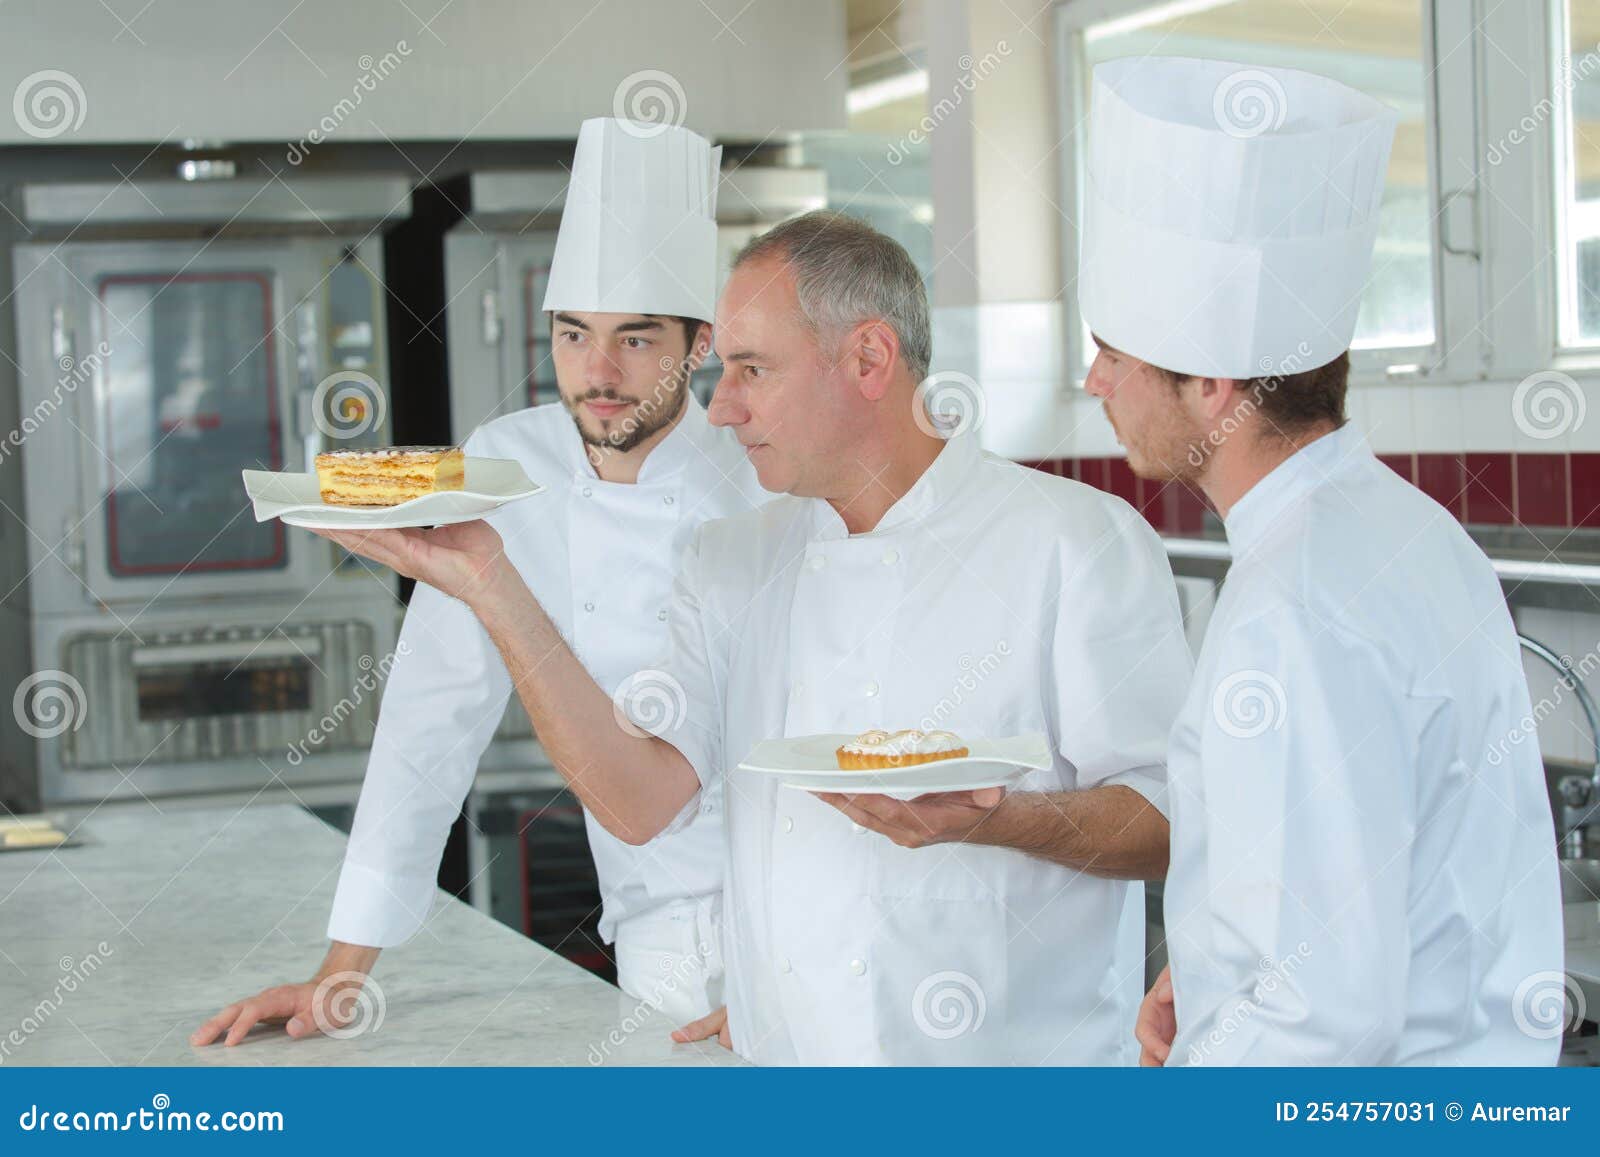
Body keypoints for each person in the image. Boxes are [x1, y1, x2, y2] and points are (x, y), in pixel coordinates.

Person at [293, 209, 1194, 1064]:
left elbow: (1167, 821)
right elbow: (641, 802)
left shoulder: (1077, 540)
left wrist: (1002, 818)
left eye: (753, 371)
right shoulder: (732, 561)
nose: (720, 411)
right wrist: (491, 584)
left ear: (870, 358)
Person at [192, 118, 763, 1047]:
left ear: (699, 346)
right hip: (654, 928)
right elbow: (432, 714)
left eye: (638, 341)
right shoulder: (509, 462)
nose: (599, 374)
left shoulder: (762, 478)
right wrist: (342, 973)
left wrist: (800, 957)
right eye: (575, 335)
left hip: (789, 922)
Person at [1072, 56, 1562, 1064]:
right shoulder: (1405, 527)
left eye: (1113, 353)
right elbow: (1368, 872)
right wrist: (1210, 968)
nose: (1094, 382)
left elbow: (1317, 1022)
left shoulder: (1289, 604)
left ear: (1211, 384)